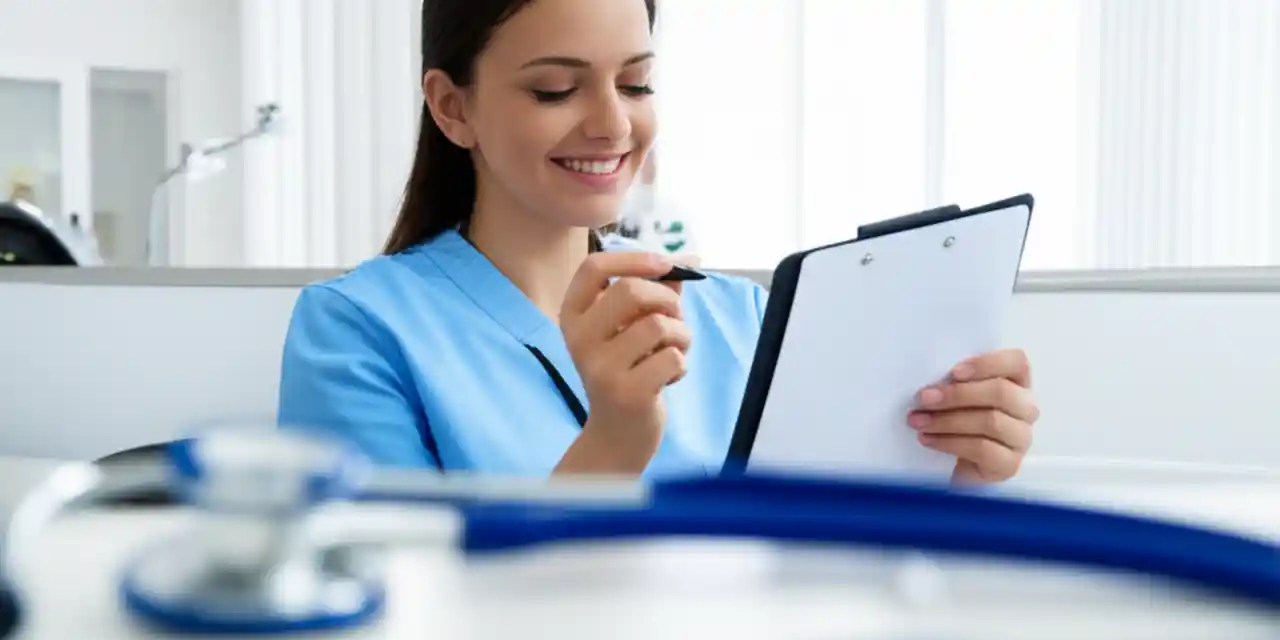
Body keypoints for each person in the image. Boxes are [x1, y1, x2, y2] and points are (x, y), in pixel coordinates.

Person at [277, 0, 1039, 484]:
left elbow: (827, 568)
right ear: (452, 108)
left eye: (636, 84)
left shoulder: (742, 320)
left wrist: (957, 472)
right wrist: (615, 438)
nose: (612, 124)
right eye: (555, 89)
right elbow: (397, 621)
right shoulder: (358, 332)